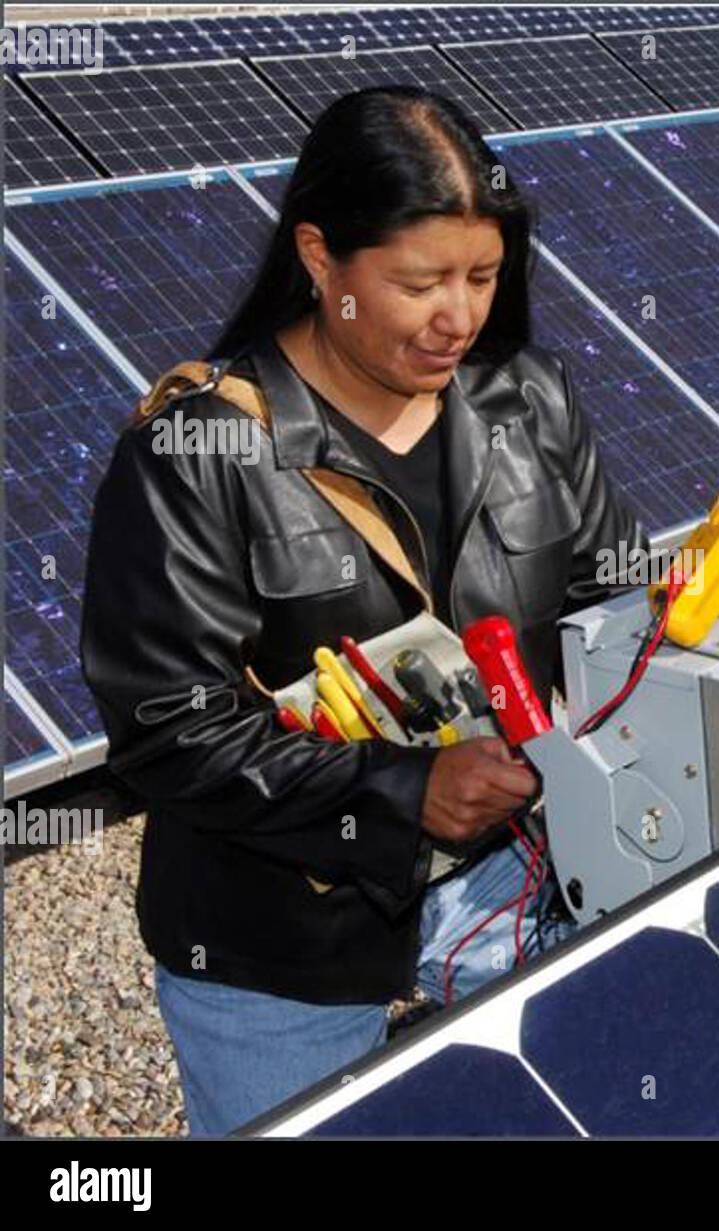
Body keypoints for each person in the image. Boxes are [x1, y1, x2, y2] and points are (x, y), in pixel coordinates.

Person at [79, 86, 647, 1137]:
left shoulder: (529, 399)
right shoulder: (199, 451)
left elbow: (604, 599)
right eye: (418, 281)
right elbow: (168, 727)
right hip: (282, 949)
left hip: (519, 884)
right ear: (318, 257)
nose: (460, 316)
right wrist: (400, 791)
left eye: (483, 276)